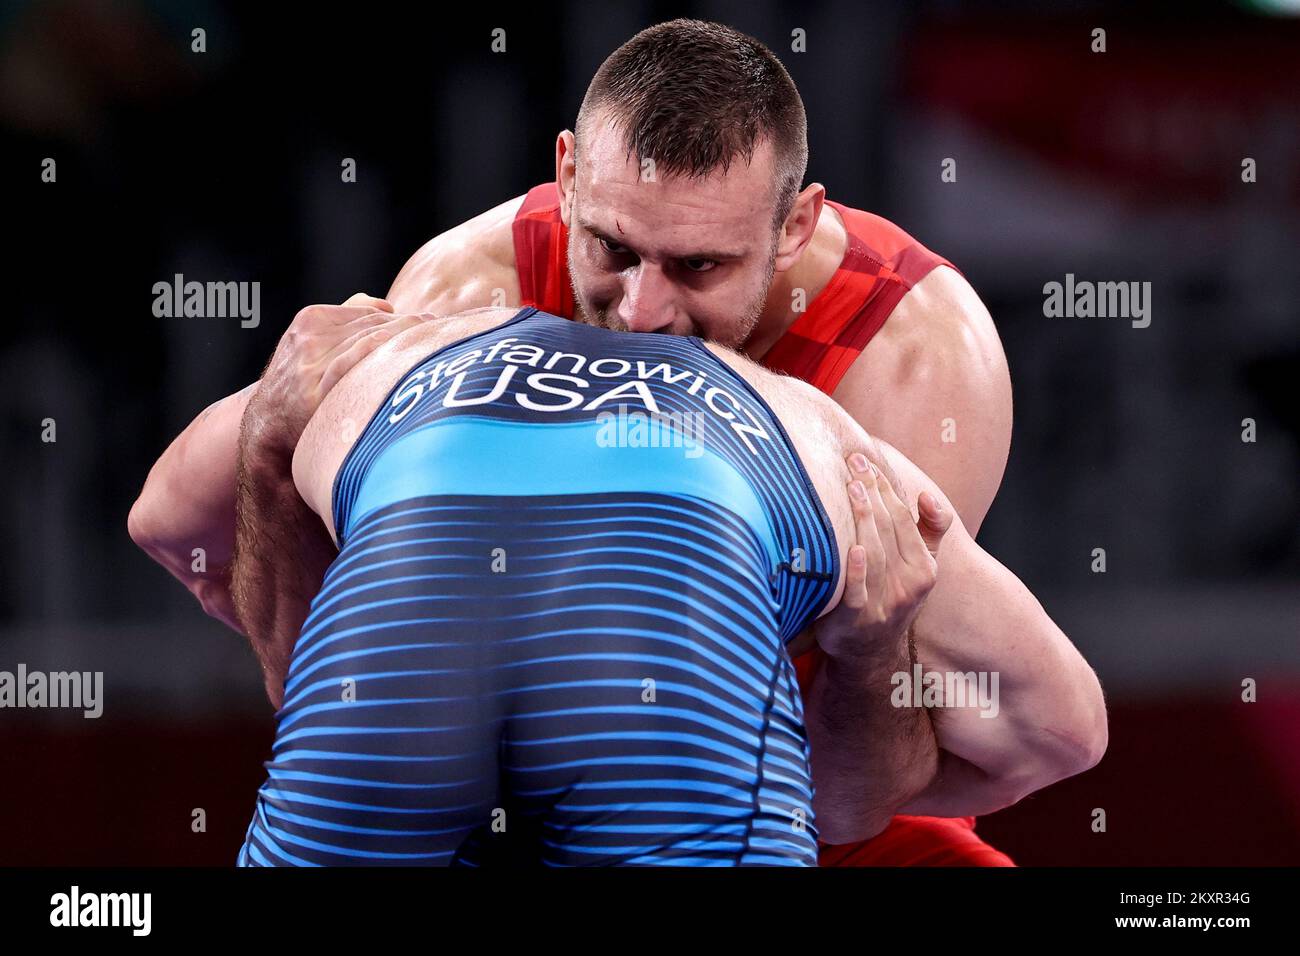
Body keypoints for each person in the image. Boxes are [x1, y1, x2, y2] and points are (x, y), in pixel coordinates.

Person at [132, 20, 1105, 863]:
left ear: (794, 223)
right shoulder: (471, 288)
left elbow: (862, 767)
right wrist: (271, 436)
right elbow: (361, 659)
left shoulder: (910, 353)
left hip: (818, 790)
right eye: (610, 249)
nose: (641, 312)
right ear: (565, 176)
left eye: (698, 266)